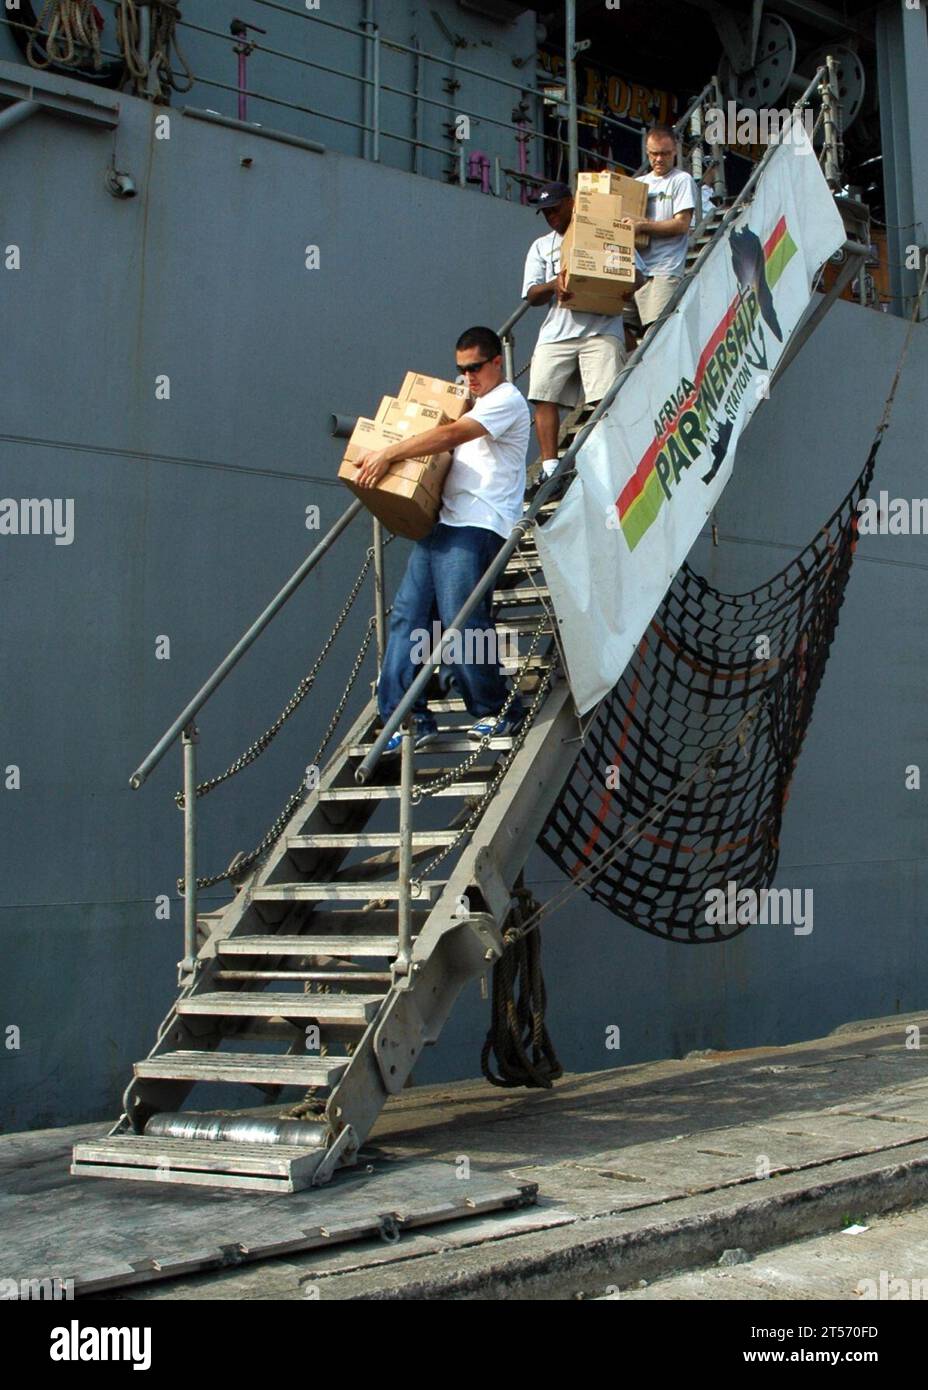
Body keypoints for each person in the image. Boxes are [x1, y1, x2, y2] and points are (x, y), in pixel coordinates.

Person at [353, 327, 530, 756]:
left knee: (461, 621)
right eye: (461, 369)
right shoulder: (473, 400)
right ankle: (404, 717)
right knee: (408, 618)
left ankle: (496, 710)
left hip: (480, 524)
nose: (468, 377)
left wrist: (389, 453)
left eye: (475, 368)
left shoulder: (506, 400)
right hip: (442, 525)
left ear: (496, 363)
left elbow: (450, 436)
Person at [523, 181, 627, 481]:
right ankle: (550, 467)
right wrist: (556, 283)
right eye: (545, 213)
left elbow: (636, 275)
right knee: (542, 393)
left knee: (604, 400)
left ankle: (600, 461)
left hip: (601, 328)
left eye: (555, 209)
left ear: (571, 203)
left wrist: (619, 285)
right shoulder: (542, 246)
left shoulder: (603, 230)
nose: (551, 217)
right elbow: (531, 295)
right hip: (558, 330)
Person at [621, 125, 697, 331]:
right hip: (634, 269)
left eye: (664, 153)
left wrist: (642, 226)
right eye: (654, 154)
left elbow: (681, 224)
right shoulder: (638, 183)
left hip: (664, 270)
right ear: (647, 152)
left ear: (674, 152)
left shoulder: (681, 180)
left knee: (656, 333)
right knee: (622, 329)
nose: (659, 159)